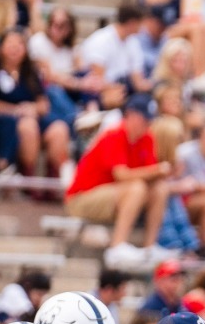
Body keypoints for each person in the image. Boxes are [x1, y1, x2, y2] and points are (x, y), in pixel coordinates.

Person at [64, 96, 174, 268]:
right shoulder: (114, 135)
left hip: (114, 196)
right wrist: (157, 170)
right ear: (130, 115)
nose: (147, 124)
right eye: (144, 119)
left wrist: (160, 173)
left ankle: (149, 247)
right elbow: (121, 175)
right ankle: (117, 246)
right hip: (83, 197)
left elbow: (150, 175)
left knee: (160, 188)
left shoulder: (147, 138)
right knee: (136, 188)